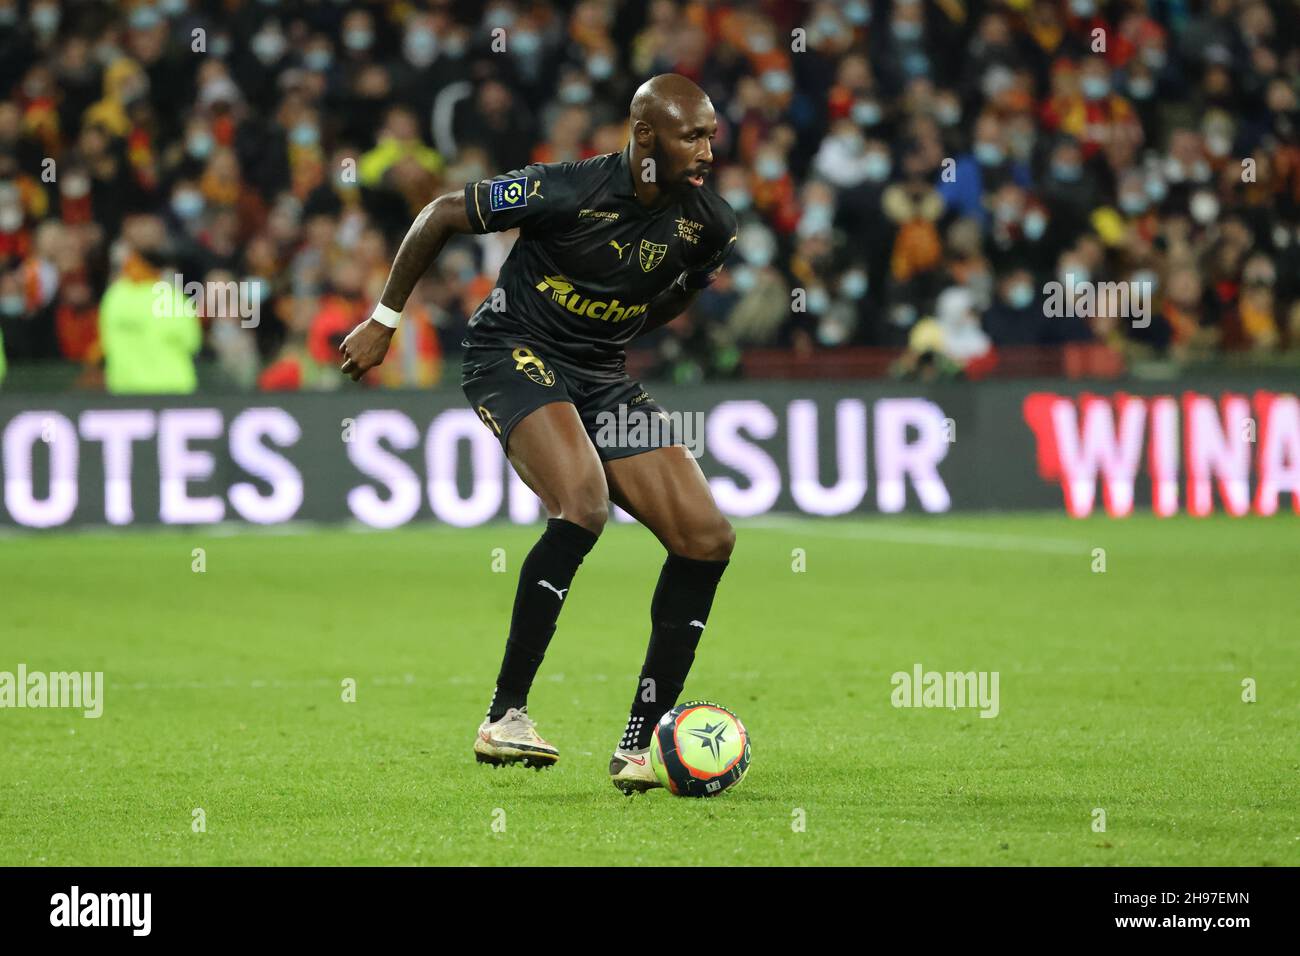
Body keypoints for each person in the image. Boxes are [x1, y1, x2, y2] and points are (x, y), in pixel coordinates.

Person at [338, 74, 738, 794]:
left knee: (708, 538)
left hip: (599, 372)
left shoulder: (709, 221)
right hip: (511, 352)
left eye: (711, 132)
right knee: (583, 504)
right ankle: (505, 715)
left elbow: (681, 291)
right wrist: (385, 321)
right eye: (693, 134)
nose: (709, 147)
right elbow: (438, 213)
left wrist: (614, 333)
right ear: (645, 136)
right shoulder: (565, 189)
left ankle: (640, 741)